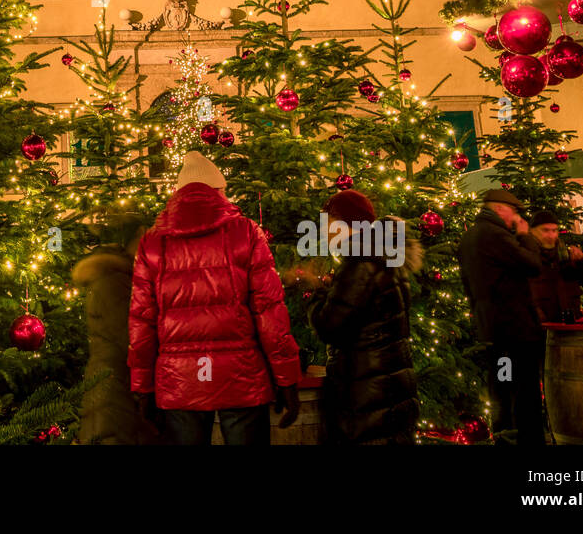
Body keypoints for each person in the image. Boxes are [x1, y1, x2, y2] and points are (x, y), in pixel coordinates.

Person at [127, 150, 302, 445]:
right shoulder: (246, 231)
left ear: (177, 193)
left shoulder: (153, 242)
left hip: (180, 378)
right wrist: (286, 378)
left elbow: (142, 322)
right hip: (240, 374)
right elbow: (270, 311)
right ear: (219, 191)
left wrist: (142, 387)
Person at [307, 189, 420, 444]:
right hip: (387, 389)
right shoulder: (385, 257)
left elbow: (330, 326)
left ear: (347, 224)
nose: (324, 232)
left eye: (327, 224)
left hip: (367, 395)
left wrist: (314, 295)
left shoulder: (361, 263)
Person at [457, 187, 544, 446]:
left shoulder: (470, 237)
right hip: (515, 330)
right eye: (513, 211)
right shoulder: (495, 235)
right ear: (499, 209)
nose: (516, 217)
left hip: (492, 330)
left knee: (502, 389)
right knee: (525, 394)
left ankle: (505, 439)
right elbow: (531, 264)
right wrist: (526, 236)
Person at [528, 210, 583, 324]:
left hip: (569, 327)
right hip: (539, 329)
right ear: (532, 231)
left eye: (554, 230)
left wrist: (582, 262)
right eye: (545, 230)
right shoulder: (525, 257)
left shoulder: (566, 256)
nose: (551, 235)